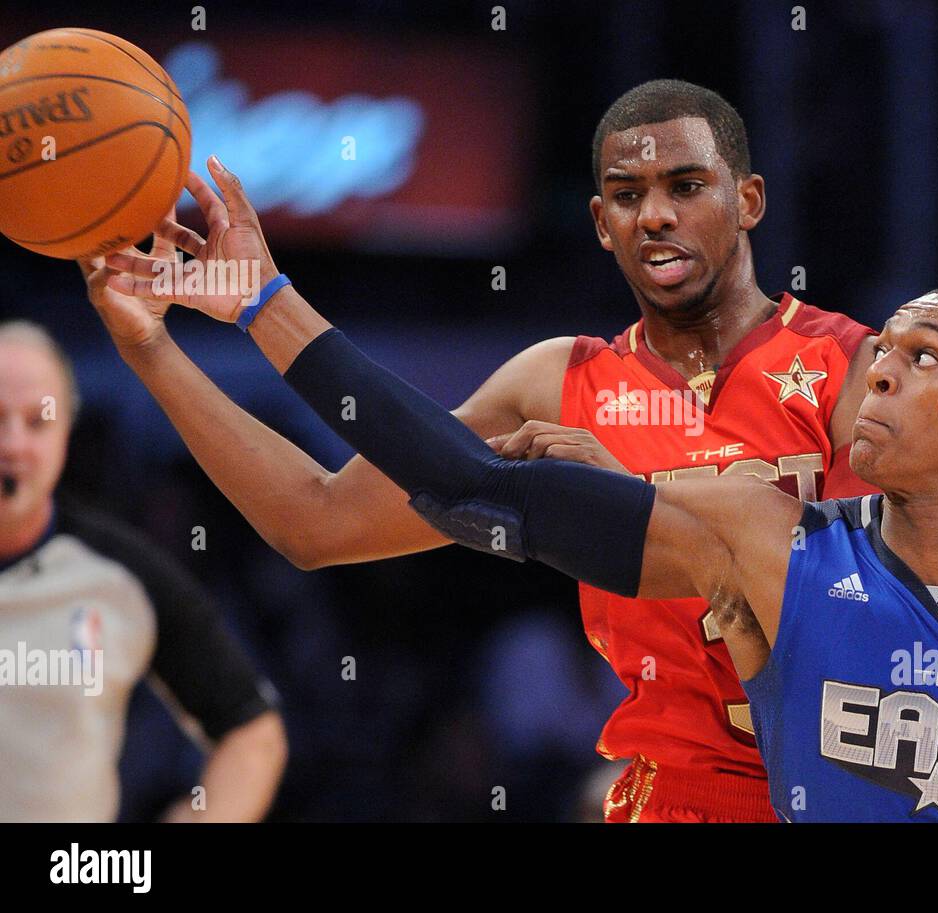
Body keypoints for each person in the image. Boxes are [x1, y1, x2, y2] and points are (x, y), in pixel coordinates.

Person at [93, 165, 938, 819]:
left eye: (924, 356)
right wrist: (261, 307)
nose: (883, 365)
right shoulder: (761, 540)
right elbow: (464, 484)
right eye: (883, 347)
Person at [82, 80, 879, 822]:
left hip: (851, 785)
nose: (656, 216)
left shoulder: (858, 369)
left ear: (748, 200)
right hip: (670, 796)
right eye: (628, 195)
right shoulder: (558, 382)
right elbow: (316, 520)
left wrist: (633, 498)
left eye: (686, 186)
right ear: (601, 222)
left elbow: (880, 606)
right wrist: (153, 350)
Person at [0, 321, 287, 822]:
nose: (13, 445)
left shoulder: (119, 575)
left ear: (66, 432)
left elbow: (252, 732)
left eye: (38, 422)